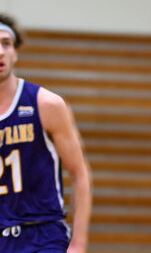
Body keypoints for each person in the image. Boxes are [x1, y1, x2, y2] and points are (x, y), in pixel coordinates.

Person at [0, 14, 92, 253]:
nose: (0, 51)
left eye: (6, 43)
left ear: (15, 53)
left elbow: (80, 173)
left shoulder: (47, 104)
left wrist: (79, 244)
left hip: (42, 235)